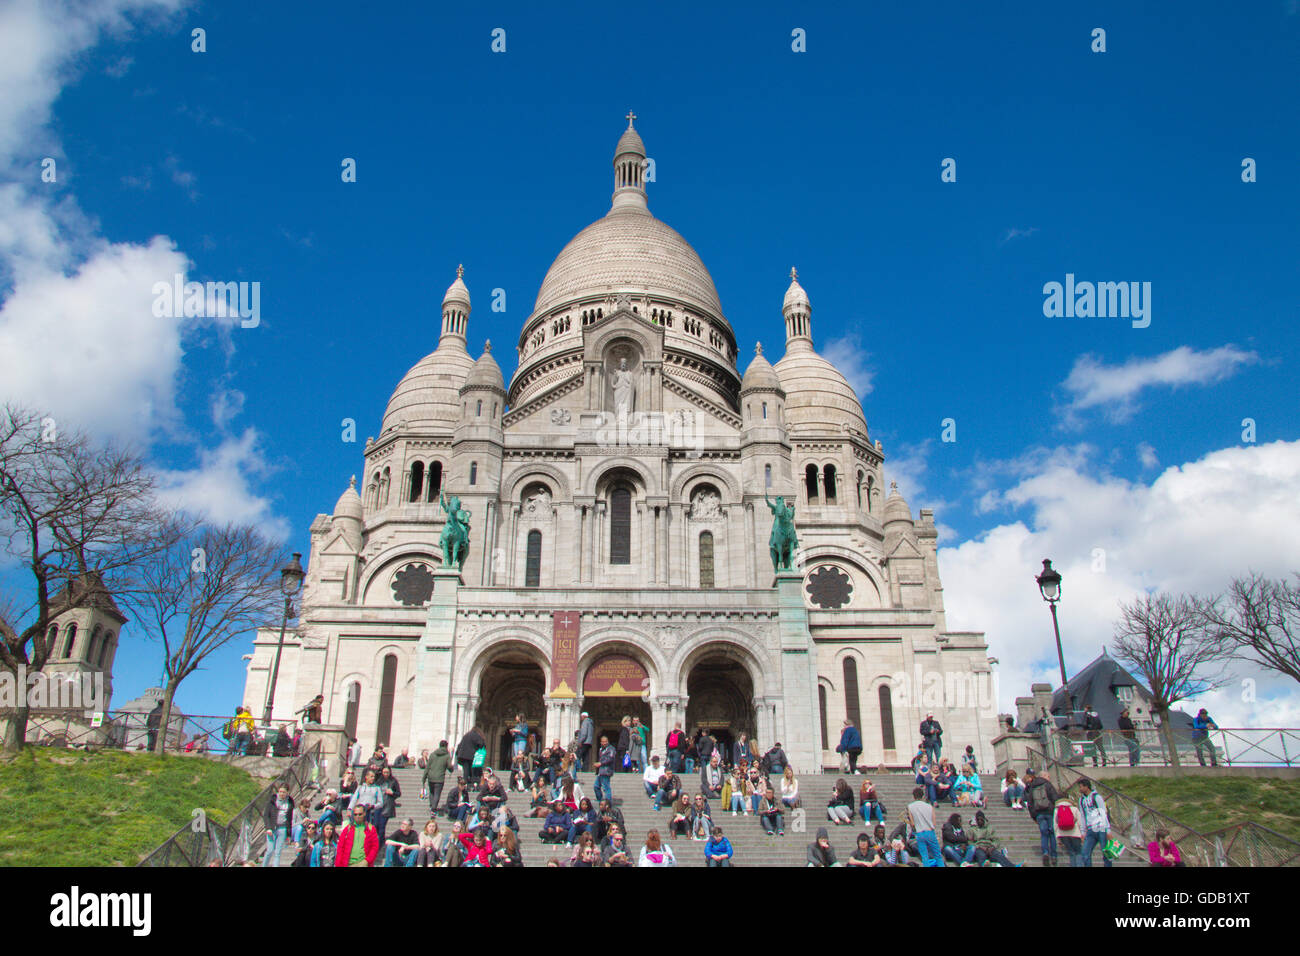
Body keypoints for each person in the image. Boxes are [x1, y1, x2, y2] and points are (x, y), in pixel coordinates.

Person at [1023, 768, 1060, 867]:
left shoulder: (1033, 786)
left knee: (1044, 834)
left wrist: (1033, 816)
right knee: (1052, 833)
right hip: (1049, 812)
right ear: (1043, 776)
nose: (1049, 778)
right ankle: (1054, 855)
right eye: (1048, 776)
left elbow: (1030, 803)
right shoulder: (1048, 784)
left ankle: (1045, 853)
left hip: (1039, 813)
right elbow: (1055, 797)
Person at [1077, 779, 1112, 868]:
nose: (1079, 789)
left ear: (1086, 786)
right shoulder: (1081, 800)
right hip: (1090, 829)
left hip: (1101, 828)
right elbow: (1082, 816)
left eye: (1081, 786)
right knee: (1085, 853)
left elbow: (1103, 813)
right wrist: (1083, 832)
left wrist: (1108, 830)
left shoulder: (1096, 797)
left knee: (1106, 854)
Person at [905, 786, 942, 867]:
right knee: (938, 855)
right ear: (923, 796)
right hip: (930, 831)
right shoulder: (929, 806)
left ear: (913, 796)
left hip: (920, 833)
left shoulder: (910, 806)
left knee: (924, 856)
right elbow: (934, 823)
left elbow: (912, 823)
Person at [261, 784, 294, 866]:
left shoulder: (290, 802)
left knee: (278, 852)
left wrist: (289, 834)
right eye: (280, 792)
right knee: (270, 850)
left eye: (284, 792)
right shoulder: (272, 801)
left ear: (287, 793)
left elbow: (290, 819)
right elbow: (266, 815)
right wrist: (268, 828)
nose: (281, 794)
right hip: (272, 828)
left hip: (282, 828)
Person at [1053, 791, 1084, 867]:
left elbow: (1055, 824)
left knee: (1071, 852)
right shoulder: (1074, 808)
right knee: (1078, 852)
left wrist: (1057, 838)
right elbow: (1080, 822)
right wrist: (1082, 834)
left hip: (1063, 834)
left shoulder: (1056, 810)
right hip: (1075, 834)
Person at [423, 739, 452, 816]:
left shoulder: (433, 754)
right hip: (440, 777)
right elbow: (449, 766)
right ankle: (433, 808)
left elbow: (428, 766)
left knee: (432, 792)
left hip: (431, 776)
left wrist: (424, 777)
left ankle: (431, 806)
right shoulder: (447, 755)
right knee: (437, 793)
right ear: (446, 746)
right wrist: (451, 769)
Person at [595, 735, 616, 803]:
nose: (604, 743)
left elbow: (610, 758)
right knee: (596, 786)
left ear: (608, 741)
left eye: (605, 741)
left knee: (606, 787)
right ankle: (600, 801)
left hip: (607, 771)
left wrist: (601, 763)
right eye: (603, 742)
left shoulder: (611, 749)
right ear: (601, 742)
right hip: (600, 771)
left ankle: (608, 803)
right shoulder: (600, 749)